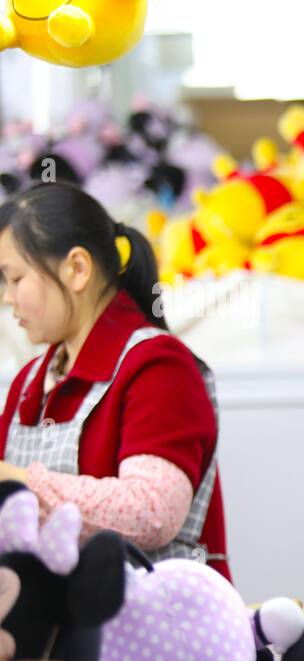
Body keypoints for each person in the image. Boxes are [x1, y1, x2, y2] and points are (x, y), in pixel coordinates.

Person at [0, 183, 230, 580]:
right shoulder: (30, 382)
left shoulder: (159, 366)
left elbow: (152, 511)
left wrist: (18, 481)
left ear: (77, 269)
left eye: (15, 278)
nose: (7, 298)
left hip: (160, 627)